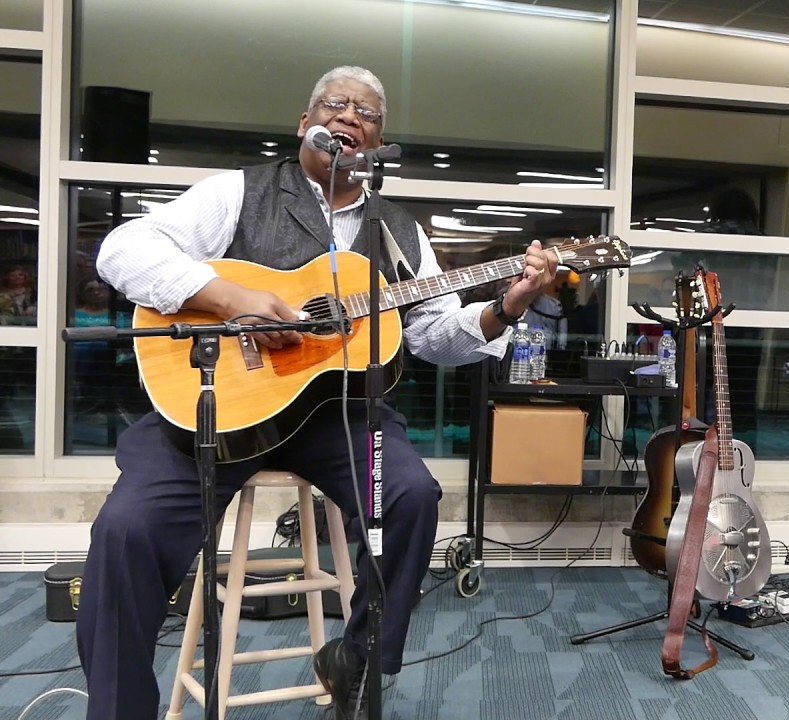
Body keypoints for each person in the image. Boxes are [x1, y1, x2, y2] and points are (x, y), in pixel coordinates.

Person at [80, 65, 561, 720]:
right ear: (304, 124)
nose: (348, 116)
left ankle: (357, 662)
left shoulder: (398, 229)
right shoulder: (238, 193)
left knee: (413, 496)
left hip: (343, 419)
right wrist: (233, 297)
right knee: (126, 530)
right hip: (219, 403)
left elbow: (434, 336)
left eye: (365, 112)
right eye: (333, 104)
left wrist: (507, 308)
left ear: (377, 141)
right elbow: (124, 249)